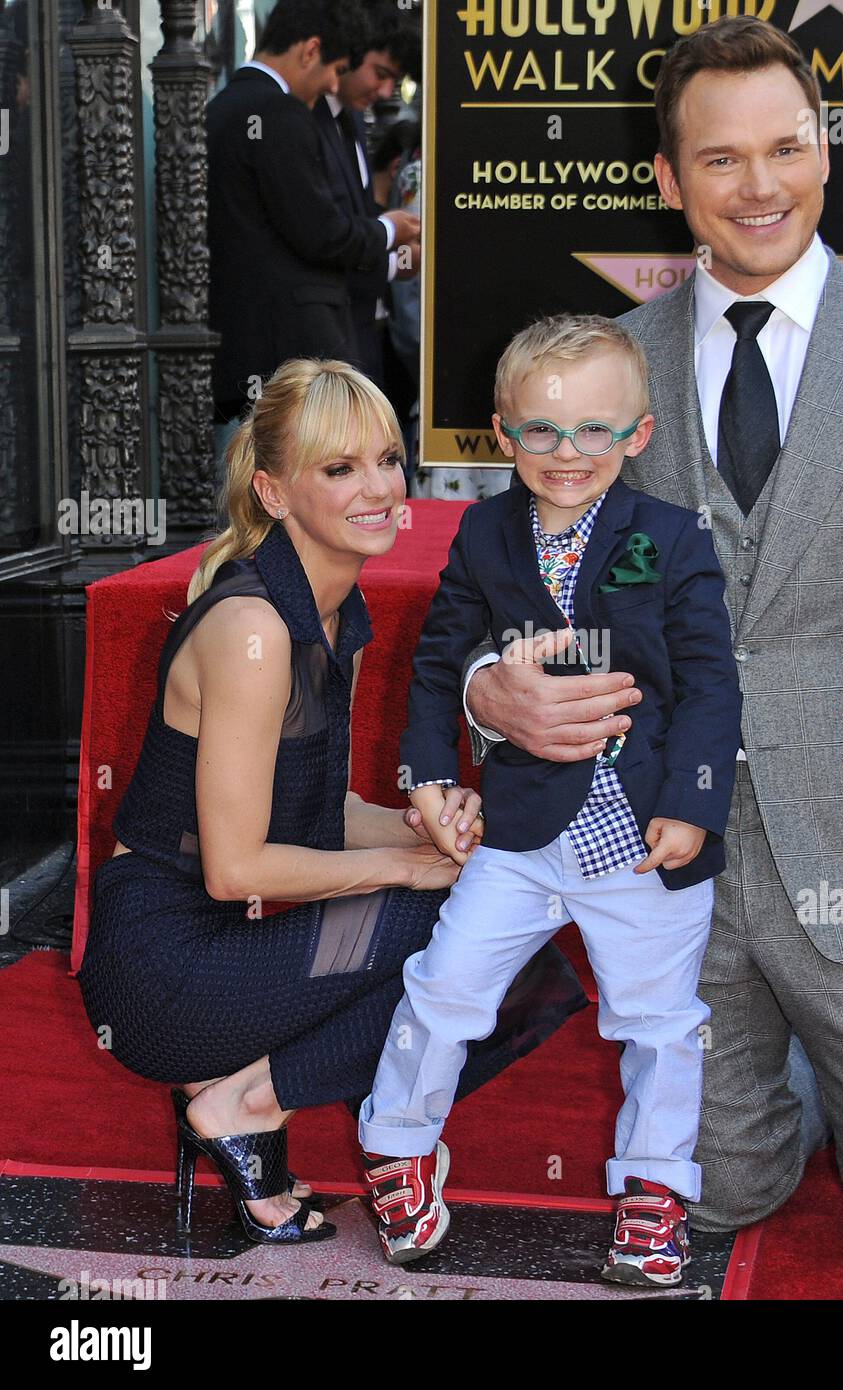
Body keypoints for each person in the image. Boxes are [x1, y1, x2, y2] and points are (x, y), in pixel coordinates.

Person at [465, 17, 843, 1258]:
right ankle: (799, 1078)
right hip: (671, 867)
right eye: (721, 160)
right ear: (668, 181)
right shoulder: (602, 369)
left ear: (825, 154)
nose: (759, 187)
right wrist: (489, 694)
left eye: (784, 149)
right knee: (721, 1197)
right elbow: (508, 602)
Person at [76, 359, 587, 1245]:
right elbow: (238, 868)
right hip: (164, 967)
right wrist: (411, 867)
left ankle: (246, 1095)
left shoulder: (331, 614)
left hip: (231, 939)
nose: (381, 487)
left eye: (387, 459)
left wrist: (435, 825)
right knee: (474, 919)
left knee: (504, 909)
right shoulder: (253, 631)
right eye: (339, 468)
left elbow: (317, 806)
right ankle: (245, 1098)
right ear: (272, 491)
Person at [358, 315, 742, 1287]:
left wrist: (695, 803)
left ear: (637, 435)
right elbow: (441, 659)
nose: (565, 453)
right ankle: (397, 1142)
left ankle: (653, 1194)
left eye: (592, 431)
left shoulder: (668, 538)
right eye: (539, 430)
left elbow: (707, 681)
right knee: (442, 984)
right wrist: (427, 777)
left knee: (658, 1020)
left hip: (644, 838)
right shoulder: (483, 531)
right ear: (499, 432)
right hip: (521, 831)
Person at [206, 0, 420, 422]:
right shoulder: (278, 111)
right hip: (285, 349)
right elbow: (321, 233)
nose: (330, 84)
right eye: (335, 69)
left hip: (249, 346)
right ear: (310, 50)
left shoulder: (227, 105)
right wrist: (388, 230)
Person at [311, 3, 421, 387]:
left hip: (360, 338)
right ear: (352, 52)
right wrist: (389, 236)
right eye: (381, 73)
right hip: (321, 352)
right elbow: (322, 238)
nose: (386, 91)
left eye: (396, 81)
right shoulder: (306, 119)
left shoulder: (352, 120)